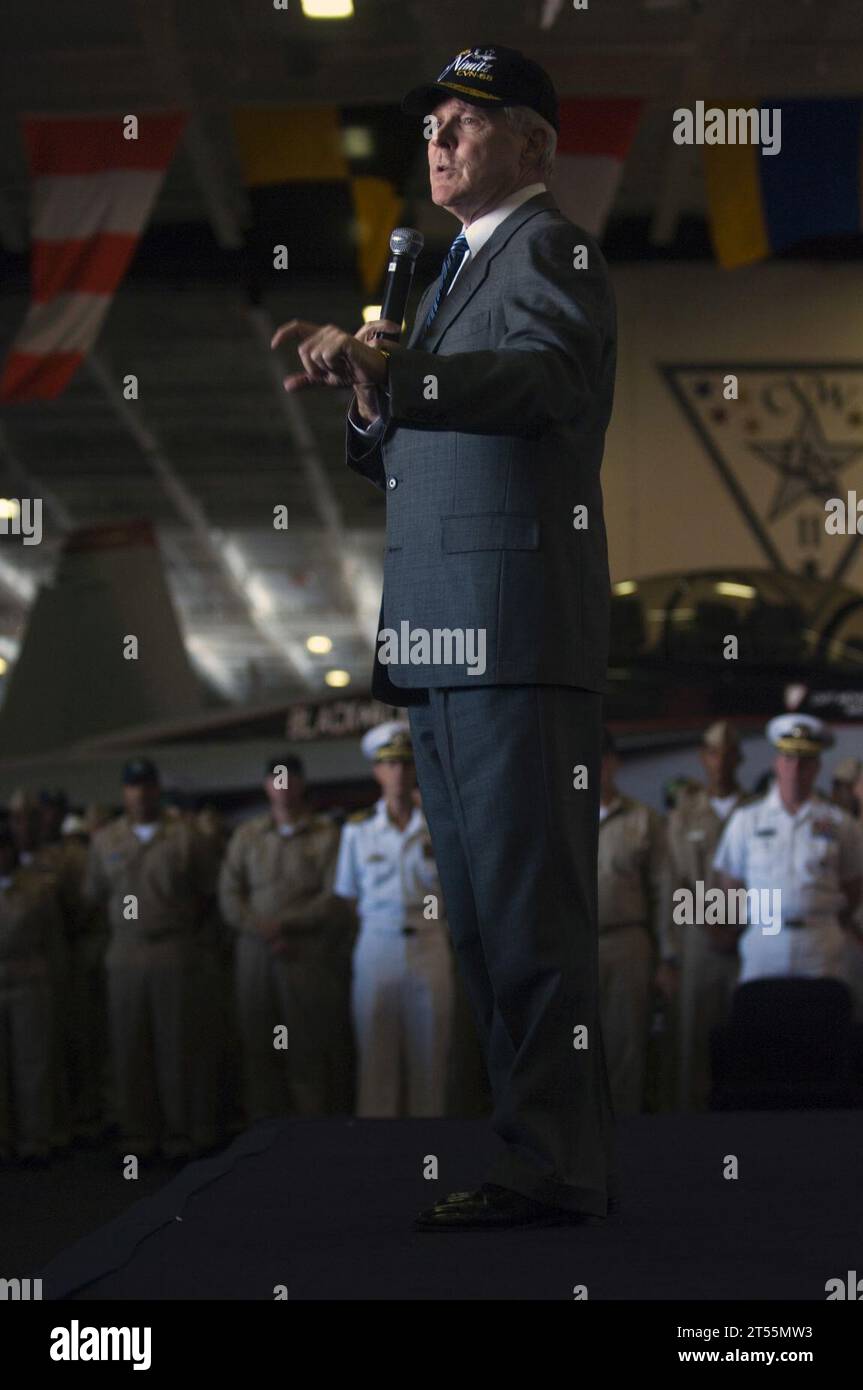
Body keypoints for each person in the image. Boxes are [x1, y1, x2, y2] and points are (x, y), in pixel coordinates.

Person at [273, 44, 617, 1229]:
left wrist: (398, 370)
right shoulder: (445, 271)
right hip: (439, 638)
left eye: (465, 121)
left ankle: (559, 1164)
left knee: (531, 915)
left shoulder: (546, 247)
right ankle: (535, 1155)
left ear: (532, 144)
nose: (437, 139)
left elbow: (543, 381)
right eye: (430, 123)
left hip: (512, 633)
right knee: (479, 920)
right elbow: (407, 446)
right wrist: (373, 391)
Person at [84, 758, 221, 1161]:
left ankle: (181, 1134)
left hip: (173, 947)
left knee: (178, 1045)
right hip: (125, 951)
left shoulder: (185, 837)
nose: (139, 793)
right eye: (132, 786)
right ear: (123, 792)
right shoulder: (105, 840)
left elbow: (207, 893)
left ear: (157, 790)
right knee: (129, 1046)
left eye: (146, 785)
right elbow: (92, 896)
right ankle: (139, 1135)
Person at [219, 754, 348, 1120]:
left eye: (290, 779)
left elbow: (336, 896)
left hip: (305, 954)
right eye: (276, 779)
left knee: (308, 1046)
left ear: (302, 784)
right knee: (259, 1045)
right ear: (265, 786)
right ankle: (264, 1132)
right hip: (256, 955)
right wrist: (261, 928)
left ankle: (310, 1136)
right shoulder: (247, 836)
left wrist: (285, 925)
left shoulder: (326, 835)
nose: (283, 786)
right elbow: (229, 893)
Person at [334, 721, 454, 1117]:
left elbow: (456, 891)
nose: (399, 773)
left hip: (429, 941)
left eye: (405, 763)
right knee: (376, 1059)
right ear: (377, 772)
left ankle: (428, 1157)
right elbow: (349, 895)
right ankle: (377, 1156)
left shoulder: (439, 823)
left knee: (430, 1058)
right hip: (378, 944)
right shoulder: (357, 830)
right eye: (390, 765)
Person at [713, 716, 863, 987]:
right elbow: (730, 886)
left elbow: (853, 885)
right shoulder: (747, 820)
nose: (796, 769)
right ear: (777, 764)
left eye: (805, 761)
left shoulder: (841, 823)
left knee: (822, 1024)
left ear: (816, 767)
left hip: (821, 945)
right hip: (764, 944)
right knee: (762, 1024)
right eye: (789, 758)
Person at [667, 721, 753, 1111]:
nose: (721, 762)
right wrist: (711, 923)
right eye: (713, 752)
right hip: (699, 942)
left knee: (747, 1039)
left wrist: (737, 926)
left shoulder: (756, 810)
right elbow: (676, 880)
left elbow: (766, 878)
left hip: (747, 940)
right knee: (693, 1045)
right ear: (703, 757)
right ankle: (692, 1140)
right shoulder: (684, 813)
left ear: (740, 758)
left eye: (729, 752)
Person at [597, 728, 673, 1114]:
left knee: (627, 1050)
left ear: (615, 762)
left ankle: (622, 1146)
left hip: (628, 942)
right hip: (571, 950)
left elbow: (664, 894)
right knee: (569, 1053)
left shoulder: (644, 820)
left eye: (602, 757)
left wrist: (666, 959)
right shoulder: (556, 819)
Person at [0, 822, 65, 1162]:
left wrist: (55, 979)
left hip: (29, 980)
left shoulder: (38, 888)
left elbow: (53, 939)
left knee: (32, 1064)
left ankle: (36, 1139)